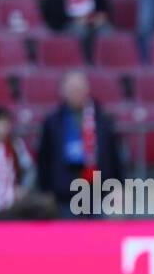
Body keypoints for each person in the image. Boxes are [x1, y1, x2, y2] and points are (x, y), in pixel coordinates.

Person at [34, 71, 124, 218]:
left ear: (87, 90)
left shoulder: (102, 120)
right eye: (71, 89)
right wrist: (45, 190)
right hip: (64, 195)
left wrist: (119, 186)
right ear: (63, 91)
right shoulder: (53, 122)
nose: (75, 93)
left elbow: (114, 156)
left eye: (79, 88)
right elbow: (44, 158)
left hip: (98, 193)